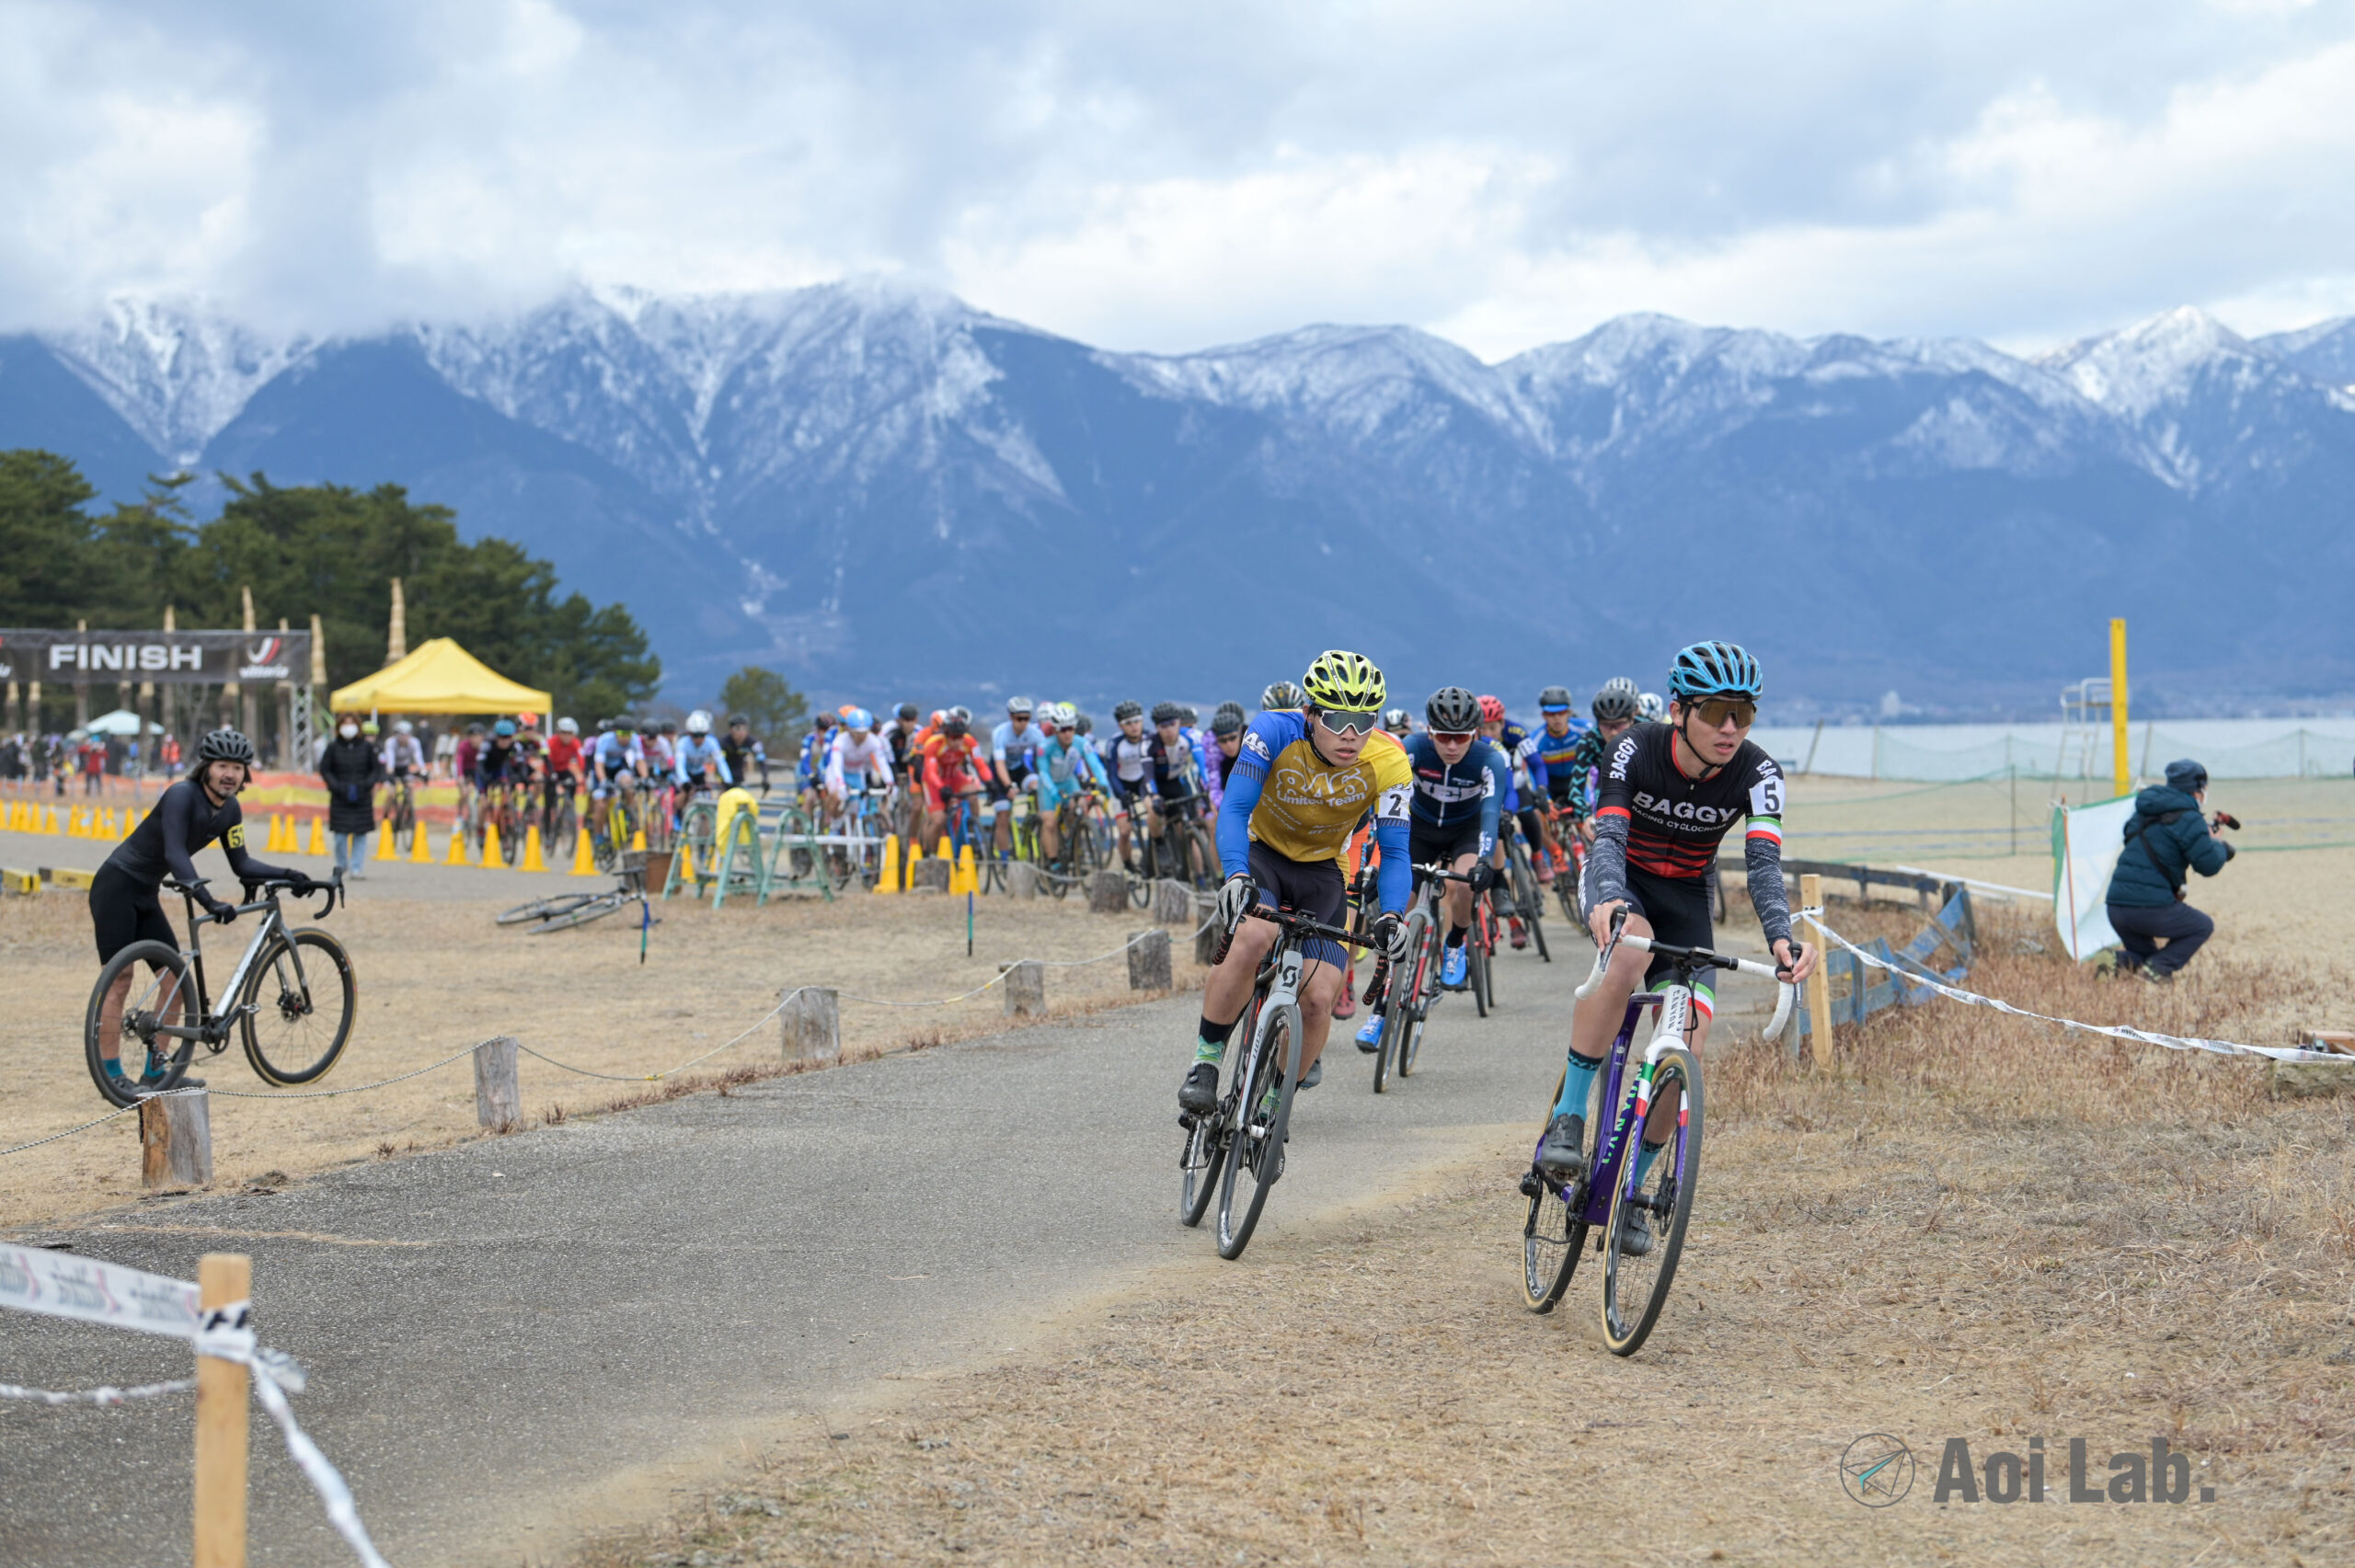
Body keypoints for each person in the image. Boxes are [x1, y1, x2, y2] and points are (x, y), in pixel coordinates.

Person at [1534, 643, 1816, 1245]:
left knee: (1689, 1039)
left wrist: (1782, 939)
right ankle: (1570, 1114)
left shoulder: (1761, 773)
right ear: (1680, 710)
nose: (1731, 727)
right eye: (1717, 712)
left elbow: (1764, 865)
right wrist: (1609, 899)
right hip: (1622, 878)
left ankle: (1633, 1188)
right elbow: (1607, 836)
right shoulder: (1632, 746)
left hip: (1687, 898)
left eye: (1745, 713)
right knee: (1631, 948)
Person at [1179, 650, 1412, 1120]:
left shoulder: (1389, 760)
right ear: (1310, 713)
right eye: (1338, 718)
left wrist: (1391, 913)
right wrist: (1236, 874)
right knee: (1255, 935)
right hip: (1262, 853)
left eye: (1364, 720)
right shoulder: (1272, 731)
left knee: (1320, 997)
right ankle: (1206, 1059)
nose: (1352, 734)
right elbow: (1235, 809)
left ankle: (1270, 1103)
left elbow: (1397, 852)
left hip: (1324, 870)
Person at [87, 729, 316, 1095]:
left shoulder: (231, 810)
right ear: (206, 768)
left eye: (238, 768)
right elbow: (175, 852)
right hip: (116, 885)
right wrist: (207, 899)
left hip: (147, 892)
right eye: (222, 766)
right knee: (121, 979)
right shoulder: (181, 795)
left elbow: (241, 863)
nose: (230, 774)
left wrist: (290, 874)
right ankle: (111, 1074)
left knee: (176, 982)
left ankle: (156, 1072)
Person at [1354, 687, 1507, 1048]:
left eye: (1460, 738)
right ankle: (1378, 1012)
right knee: (1394, 919)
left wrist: (1485, 862)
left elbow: (1490, 815)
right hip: (1417, 829)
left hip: (1464, 832)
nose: (1451, 746)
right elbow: (1382, 805)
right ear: (1429, 730)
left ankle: (1454, 943)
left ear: (1475, 735)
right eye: (1442, 736)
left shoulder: (1490, 760)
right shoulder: (1412, 748)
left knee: (1465, 885)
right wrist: (1376, 861)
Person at [2103, 759, 2234, 983]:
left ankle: (2114, 961)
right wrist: (2216, 844)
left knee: (2144, 954)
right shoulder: (2190, 818)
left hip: (2115, 906)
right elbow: (2209, 865)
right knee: (2201, 926)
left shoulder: (2143, 811)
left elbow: (2137, 838)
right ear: (2198, 791)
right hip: (2149, 908)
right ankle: (2158, 970)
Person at [1563, 678, 1642, 849]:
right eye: (1606, 725)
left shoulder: (1646, 732)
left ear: (1632, 719)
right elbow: (1576, 787)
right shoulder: (1588, 741)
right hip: (1609, 787)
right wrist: (1586, 817)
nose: (1613, 732)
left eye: (1619, 724)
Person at [318, 715, 381, 879]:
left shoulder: (367, 748)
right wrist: (335, 786)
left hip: (362, 795)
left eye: (351, 723)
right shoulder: (333, 747)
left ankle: (356, 868)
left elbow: (375, 770)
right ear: (339, 728)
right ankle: (341, 865)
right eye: (345, 724)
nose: (348, 727)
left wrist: (367, 785)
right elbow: (325, 769)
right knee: (340, 835)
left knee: (360, 834)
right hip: (340, 796)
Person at [673, 710, 733, 796]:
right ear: (689, 734)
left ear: (706, 733)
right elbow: (679, 765)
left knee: (707, 796)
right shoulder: (682, 743)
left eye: (702, 735)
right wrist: (684, 781)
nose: (699, 739)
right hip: (685, 773)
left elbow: (721, 762)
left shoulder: (712, 742)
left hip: (699, 773)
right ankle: (679, 810)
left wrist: (728, 780)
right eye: (695, 735)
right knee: (685, 794)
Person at [720, 715, 768, 795]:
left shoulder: (752, 742)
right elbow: (719, 762)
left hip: (740, 776)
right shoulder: (723, 742)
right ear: (731, 730)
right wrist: (725, 781)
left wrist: (765, 778)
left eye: (744, 728)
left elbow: (762, 760)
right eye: (737, 728)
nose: (741, 732)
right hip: (725, 774)